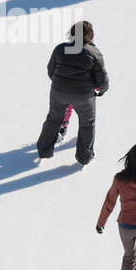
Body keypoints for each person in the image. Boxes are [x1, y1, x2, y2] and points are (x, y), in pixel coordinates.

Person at [36, 21, 108, 165]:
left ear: (73, 33)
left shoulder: (60, 49)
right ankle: (84, 157)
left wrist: (61, 83)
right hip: (84, 95)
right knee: (87, 123)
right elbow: (102, 81)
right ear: (90, 35)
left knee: (54, 119)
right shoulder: (94, 53)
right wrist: (100, 90)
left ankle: (44, 149)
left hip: (59, 92)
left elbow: (51, 70)